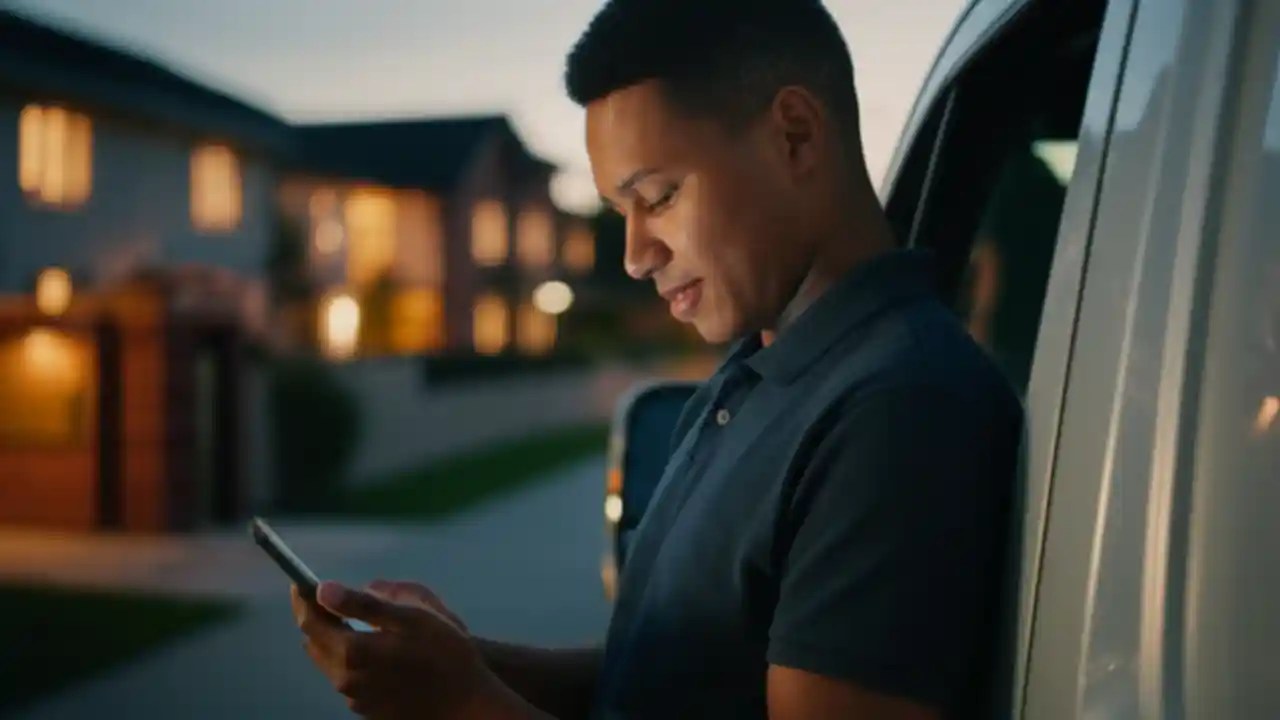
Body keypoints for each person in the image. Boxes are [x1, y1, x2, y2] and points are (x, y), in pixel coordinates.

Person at [291, 1, 1024, 718]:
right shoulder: (749, 378)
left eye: (661, 196)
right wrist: (459, 662)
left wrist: (460, 705)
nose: (637, 256)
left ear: (795, 137)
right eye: (622, 213)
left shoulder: (900, 408)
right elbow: (664, 680)